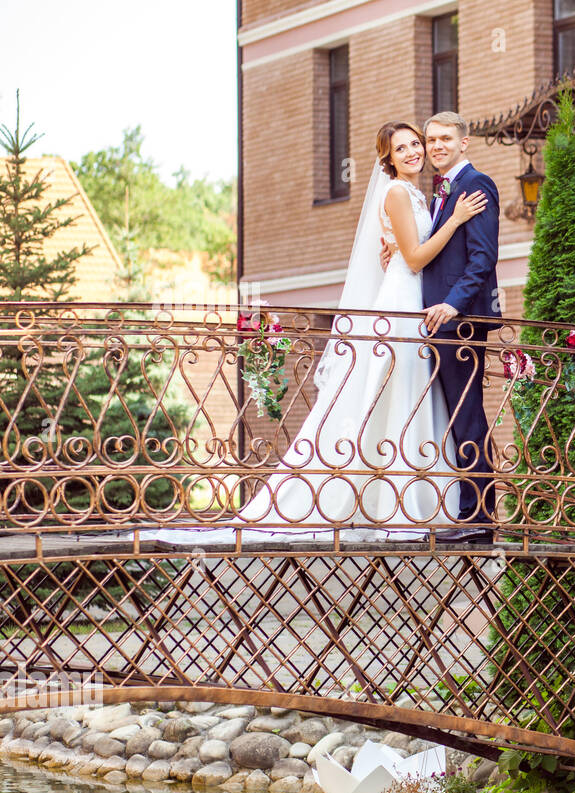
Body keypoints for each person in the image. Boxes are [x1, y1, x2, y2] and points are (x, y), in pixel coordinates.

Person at [158, 121, 487, 545]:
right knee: (395, 391)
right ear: (387, 159)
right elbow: (418, 257)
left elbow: (403, 256)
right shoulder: (397, 192)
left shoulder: (419, 194)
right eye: (400, 148)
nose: (412, 152)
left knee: (405, 396)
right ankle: (391, 503)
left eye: (415, 144)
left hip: (412, 301)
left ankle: (406, 498)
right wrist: (457, 218)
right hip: (402, 307)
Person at [383, 111, 502, 543]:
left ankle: (479, 519)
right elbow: (429, 251)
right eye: (429, 139)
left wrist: (452, 306)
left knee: (466, 413)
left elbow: (482, 258)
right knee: (455, 413)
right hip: (438, 319)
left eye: (444, 139)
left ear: (464, 142)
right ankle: (467, 511)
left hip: (461, 322)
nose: (434, 147)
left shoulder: (476, 184)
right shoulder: (440, 192)